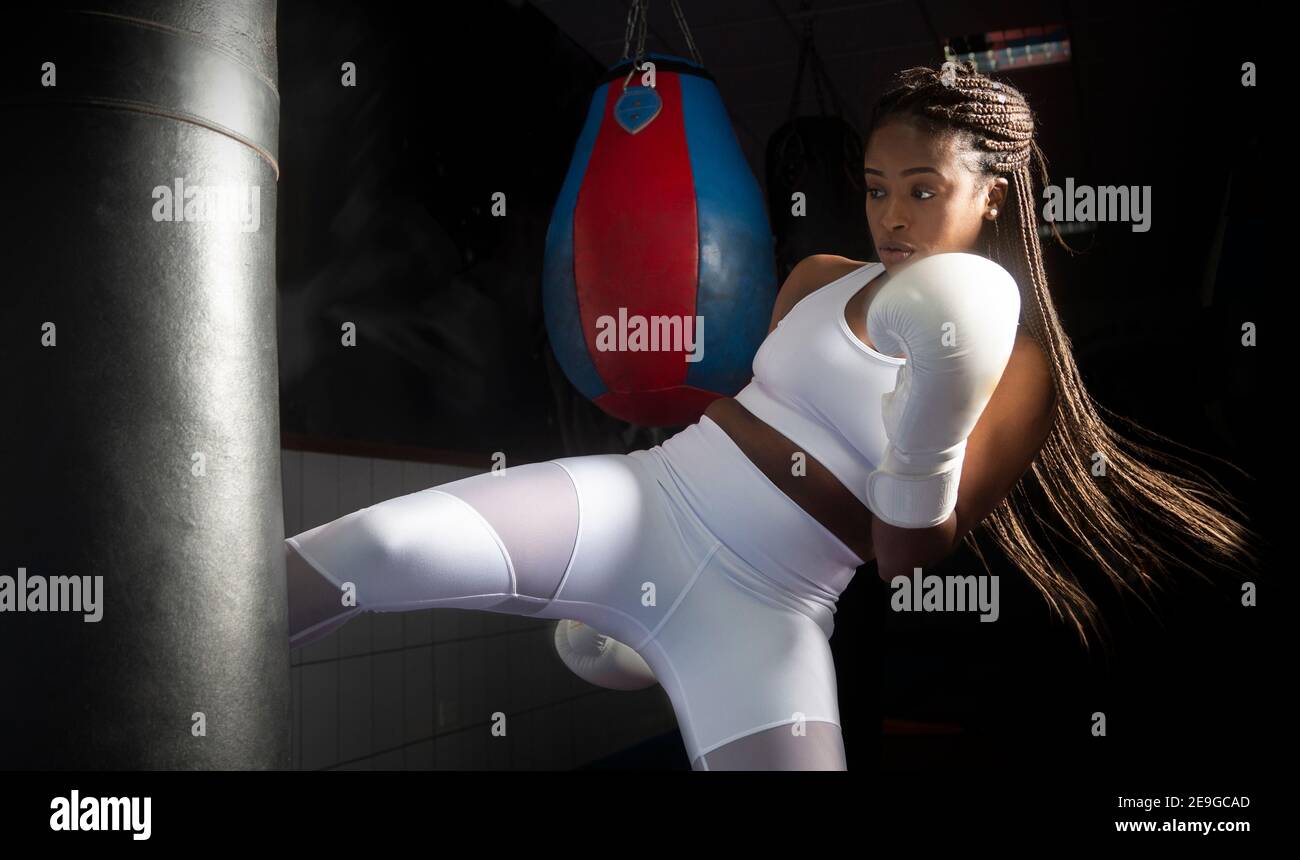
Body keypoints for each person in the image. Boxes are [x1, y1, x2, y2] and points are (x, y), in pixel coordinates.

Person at [285, 61, 1259, 770]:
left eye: (924, 190)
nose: (893, 217)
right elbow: (753, 423)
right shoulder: (816, 277)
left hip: (769, 611)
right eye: (877, 188)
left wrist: (938, 387)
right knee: (347, 560)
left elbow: (906, 553)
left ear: (990, 199)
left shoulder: (1021, 369)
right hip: (644, 499)